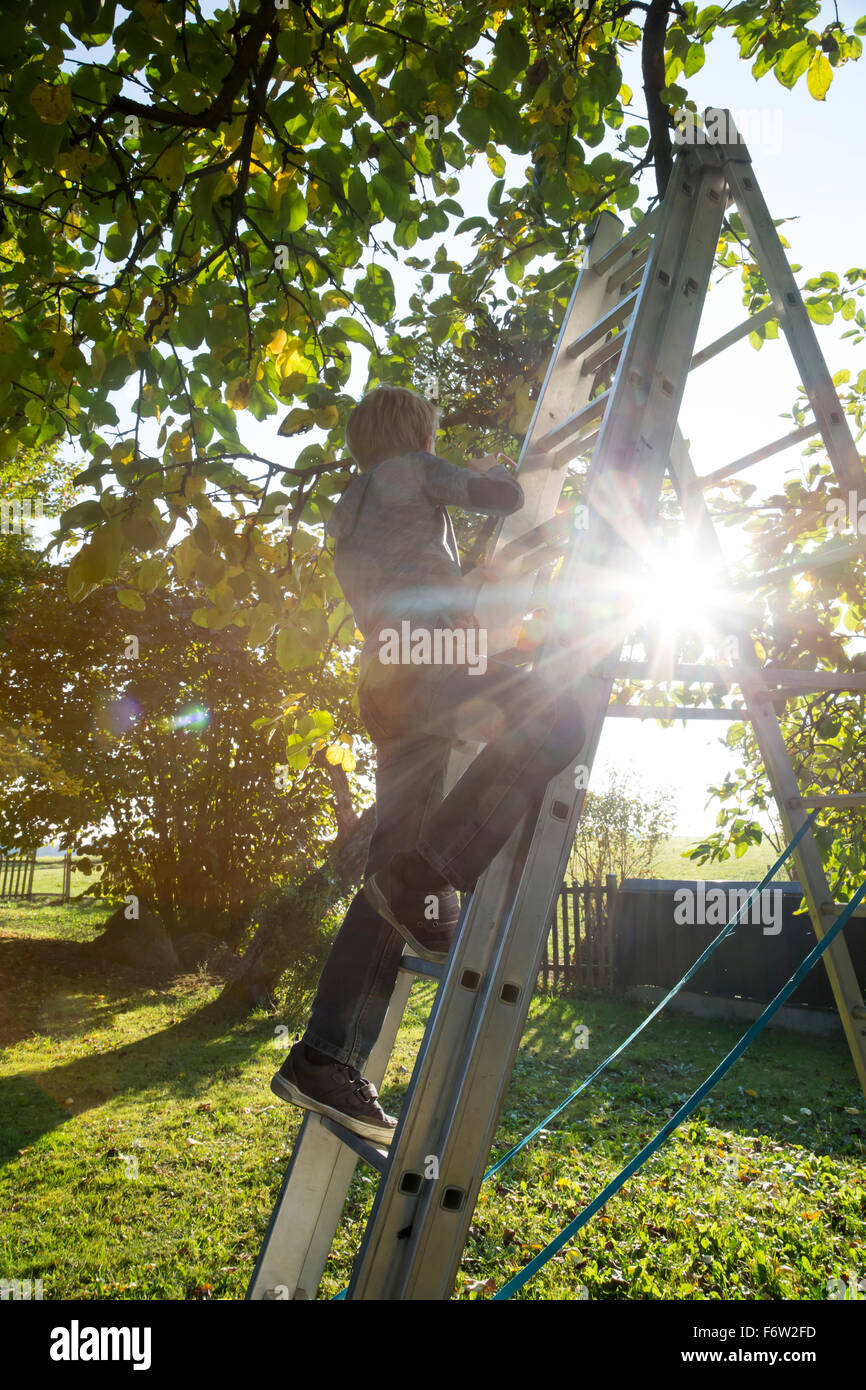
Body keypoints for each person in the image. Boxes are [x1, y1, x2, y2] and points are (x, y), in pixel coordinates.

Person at [271, 386, 586, 1144]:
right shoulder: (409, 470)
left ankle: (324, 1056)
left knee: (386, 887)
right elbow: (501, 496)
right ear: (413, 432)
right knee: (556, 721)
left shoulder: (349, 508)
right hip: (432, 663)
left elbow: (429, 584)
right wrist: (500, 471)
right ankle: (434, 872)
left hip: (387, 680)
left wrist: (506, 576)